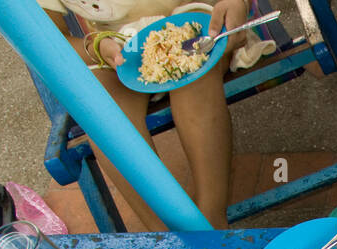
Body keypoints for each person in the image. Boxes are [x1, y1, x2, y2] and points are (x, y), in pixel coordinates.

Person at [39, 0, 275, 229]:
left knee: (193, 76)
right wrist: (94, 48)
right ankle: (169, 237)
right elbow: (44, 39)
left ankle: (212, 221)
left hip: (201, 19)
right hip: (116, 44)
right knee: (101, 110)